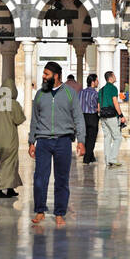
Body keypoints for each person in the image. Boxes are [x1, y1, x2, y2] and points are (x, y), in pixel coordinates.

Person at [28, 61, 85, 226]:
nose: (43, 77)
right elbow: (34, 120)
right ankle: (40, 211)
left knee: (61, 179)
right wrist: (32, 141)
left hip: (63, 140)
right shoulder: (39, 94)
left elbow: (78, 118)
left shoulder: (69, 93)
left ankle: (59, 213)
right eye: (43, 74)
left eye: (46, 74)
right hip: (44, 141)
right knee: (40, 178)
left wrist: (81, 141)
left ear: (56, 76)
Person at [0, 79, 26, 198]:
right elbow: (19, 119)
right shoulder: (13, 104)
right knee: (8, 163)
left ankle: (10, 188)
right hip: (10, 138)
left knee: (10, 162)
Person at [98, 70, 126, 167]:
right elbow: (115, 102)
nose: (115, 77)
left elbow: (98, 106)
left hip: (103, 116)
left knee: (107, 137)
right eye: (114, 76)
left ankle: (107, 160)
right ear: (110, 77)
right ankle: (112, 159)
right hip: (111, 115)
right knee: (117, 137)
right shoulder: (113, 88)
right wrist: (121, 115)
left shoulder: (101, 90)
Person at [80, 73, 100, 164]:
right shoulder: (95, 93)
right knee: (91, 138)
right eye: (96, 80)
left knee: (86, 137)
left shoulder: (81, 92)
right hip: (92, 116)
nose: (98, 82)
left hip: (83, 116)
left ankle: (91, 157)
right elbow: (97, 107)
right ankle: (87, 158)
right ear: (93, 82)